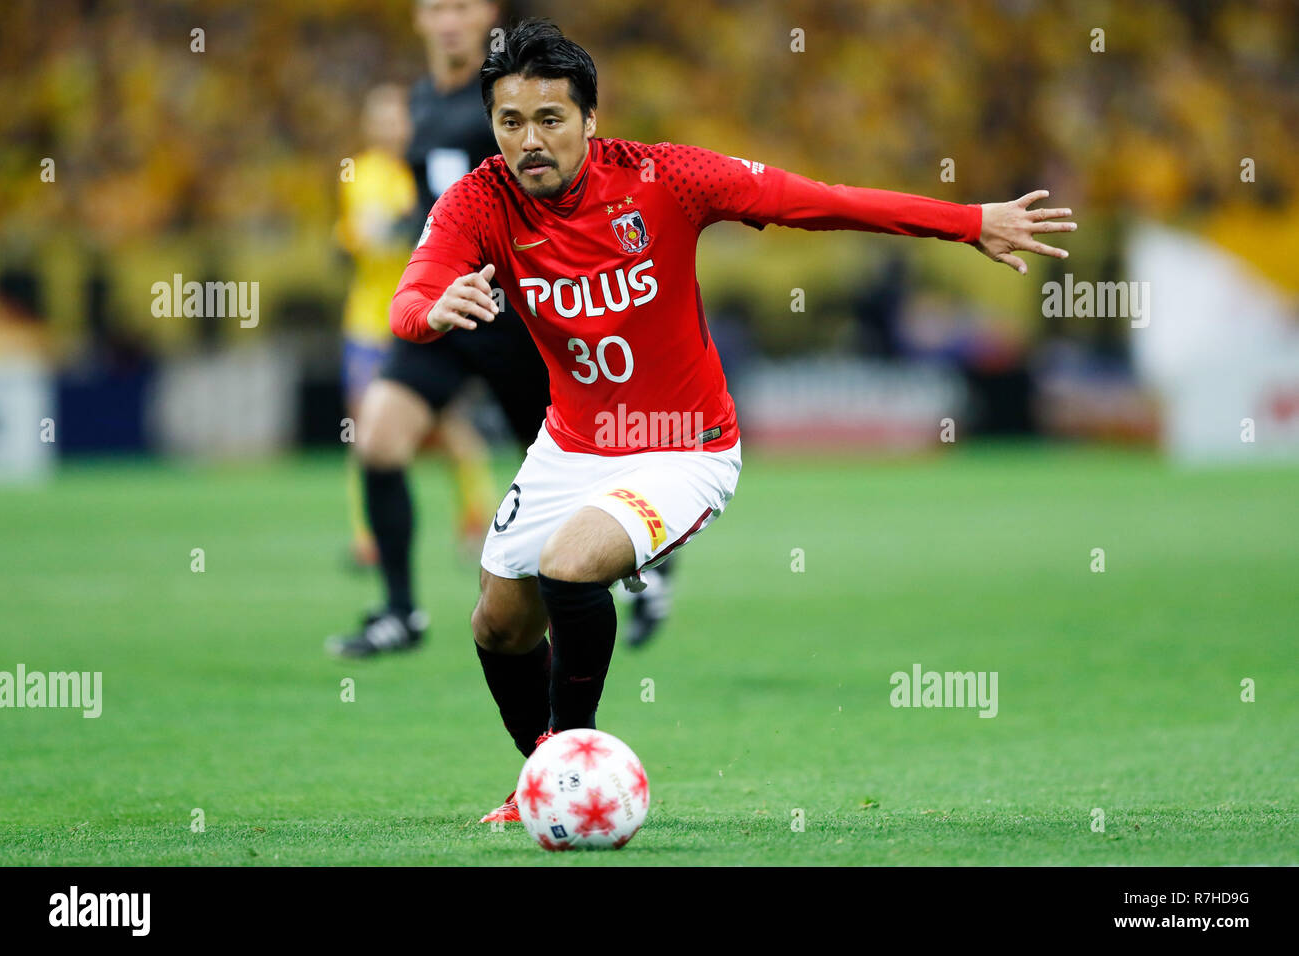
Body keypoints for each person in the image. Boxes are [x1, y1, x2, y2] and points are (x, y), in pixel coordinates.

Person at [388, 19, 1076, 821]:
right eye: (511, 122)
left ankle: (572, 767)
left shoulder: (665, 178)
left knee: (570, 564)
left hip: (685, 447)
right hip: (571, 444)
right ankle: (542, 772)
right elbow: (409, 299)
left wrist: (965, 222)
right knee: (499, 625)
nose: (530, 141)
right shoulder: (477, 200)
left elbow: (814, 202)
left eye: (550, 119)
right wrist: (432, 312)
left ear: (590, 119)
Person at [327, 0, 549, 657]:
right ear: (420, 19)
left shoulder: (510, 96)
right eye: (436, 7)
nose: (449, 19)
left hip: (515, 318)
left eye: (462, 6)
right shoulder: (420, 102)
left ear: (487, 14)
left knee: (564, 469)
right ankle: (400, 612)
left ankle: (643, 575)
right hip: (446, 309)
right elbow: (432, 204)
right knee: (379, 439)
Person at [333, 83, 493, 575]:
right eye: (378, 118)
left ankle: (476, 517)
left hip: (427, 317)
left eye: (395, 117)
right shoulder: (361, 173)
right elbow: (366, 237)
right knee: (367, 429)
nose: (388, 127)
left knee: (447, 429)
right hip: (370, 322)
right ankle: (369, 538)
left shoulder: (432, 161)